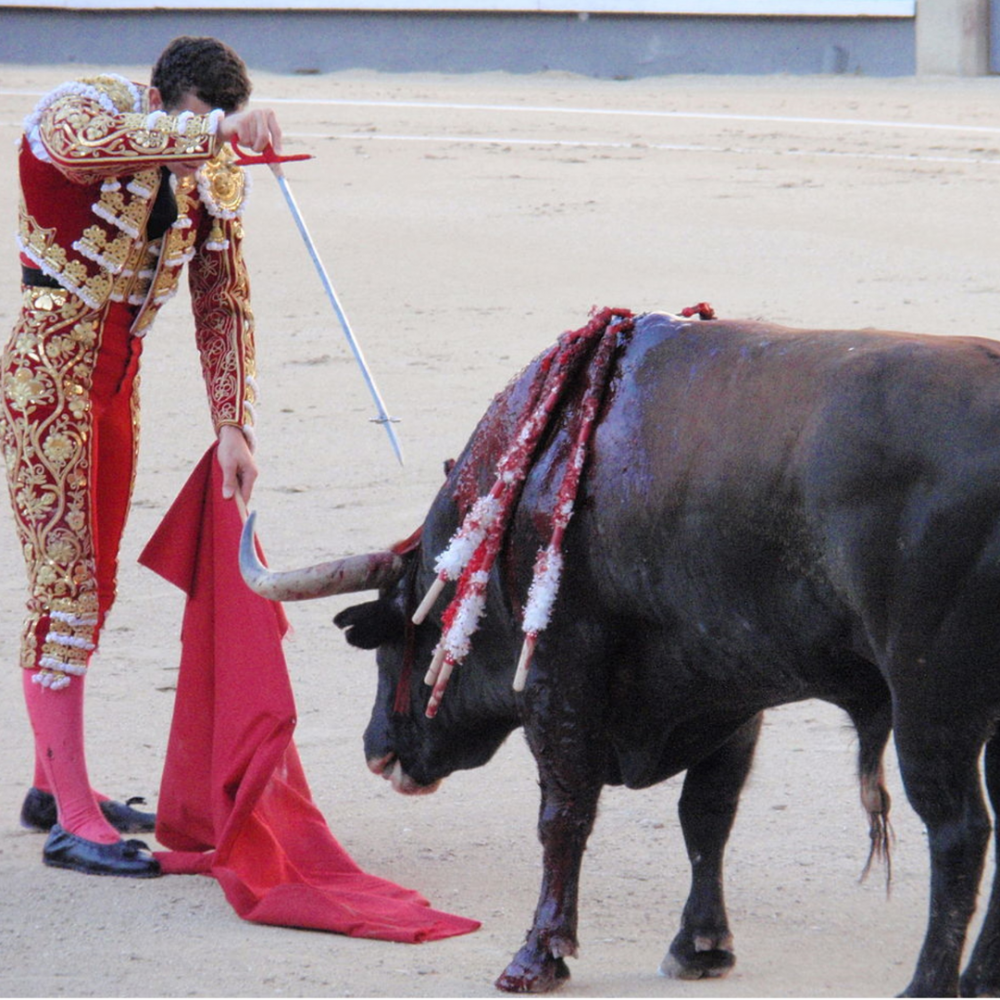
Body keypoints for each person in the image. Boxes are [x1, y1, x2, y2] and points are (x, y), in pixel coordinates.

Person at [1, 36, 282, 877]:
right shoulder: (80, 110)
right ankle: (71, 819)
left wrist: (233, 423)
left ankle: (55, 784)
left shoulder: (213, 163)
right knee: (67, 591)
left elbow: (222, 300)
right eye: (192, 119)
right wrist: (215, 135)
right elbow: (86, 155)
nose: (202, 141)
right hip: (50, 375)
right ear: (161, 94)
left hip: (114, 385)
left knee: (96, 584)